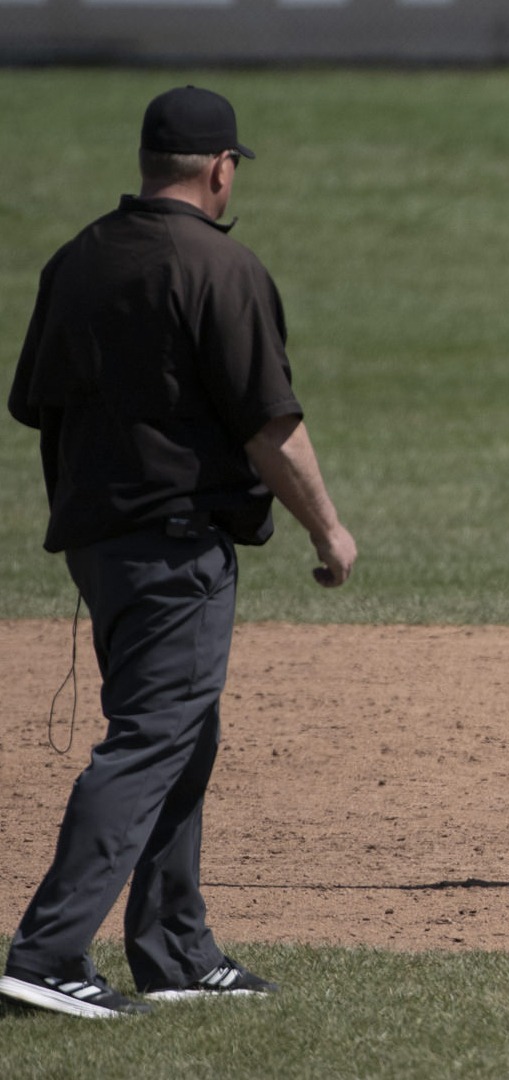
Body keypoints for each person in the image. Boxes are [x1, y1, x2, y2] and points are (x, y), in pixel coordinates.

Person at [2, 86, 356, 1018]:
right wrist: (329, 528)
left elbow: (34, 401)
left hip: (99, 544)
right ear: (220, 169)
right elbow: (270, 425)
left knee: (182, 736)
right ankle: (44, 956)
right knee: (154, 737)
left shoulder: (78, 259)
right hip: (175, 548)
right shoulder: (219, 267)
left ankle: (174, 951)